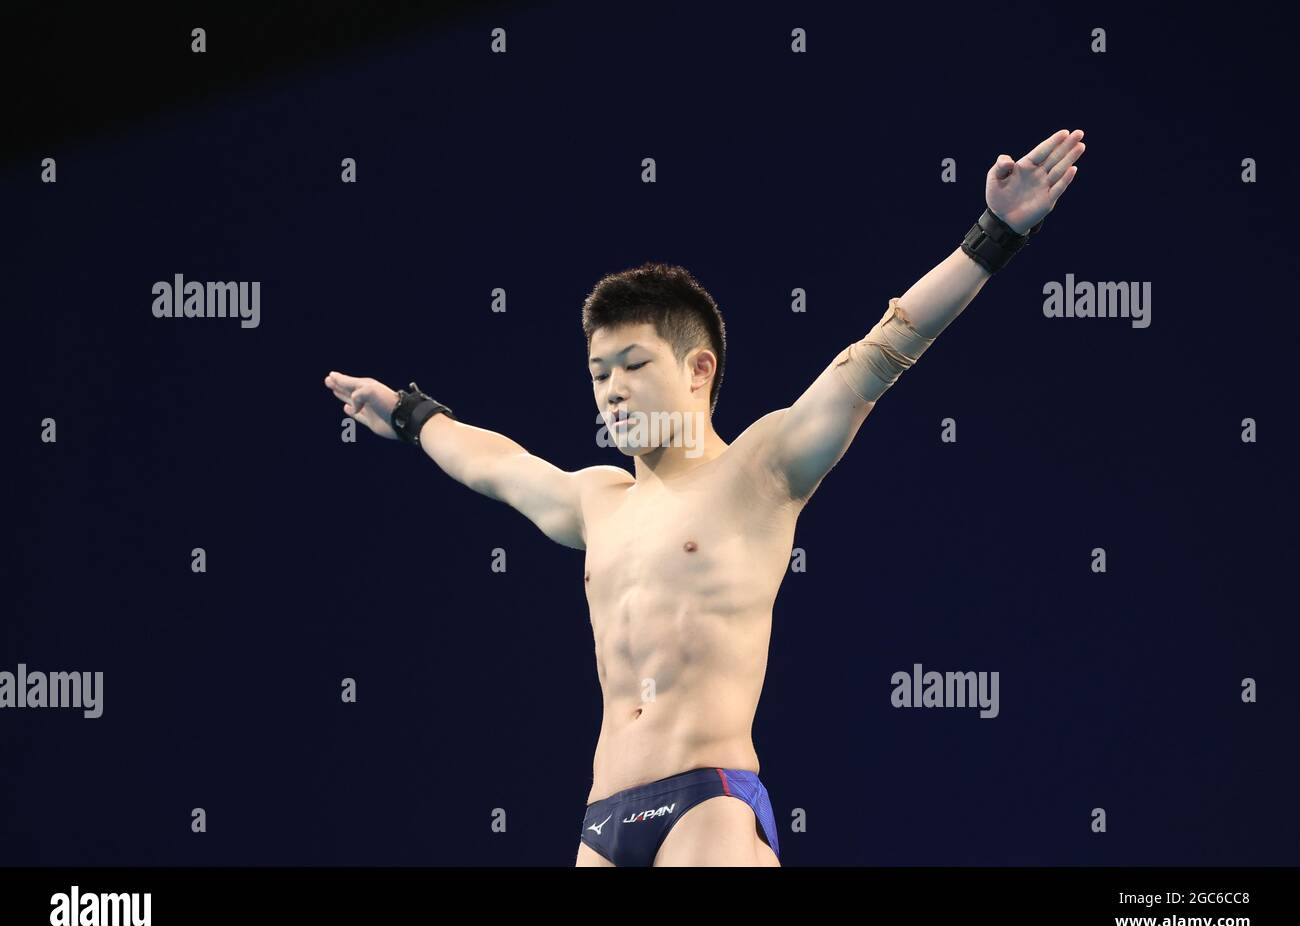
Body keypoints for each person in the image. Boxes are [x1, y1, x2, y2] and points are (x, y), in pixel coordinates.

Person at [323, 128, 1086, 866]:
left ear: (697, 369)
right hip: (601, 821)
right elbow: (496, 463)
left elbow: (880, 353)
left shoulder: (759, 469)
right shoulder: (598, 501)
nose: (613, 389)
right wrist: (408, 414)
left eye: (633, 364)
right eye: (598, 373)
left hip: (706, 803)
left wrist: (992, 236)